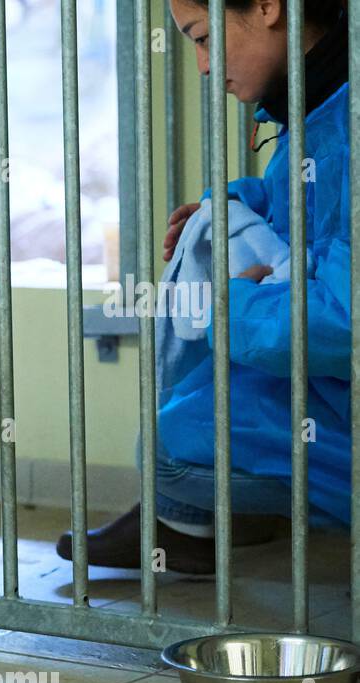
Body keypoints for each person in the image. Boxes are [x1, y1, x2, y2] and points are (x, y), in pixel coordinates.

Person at [57, 0, 352, 574]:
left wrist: (227, 306)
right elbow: (318, 217)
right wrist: (238, 208)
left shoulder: (344, 117)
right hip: (337, 387)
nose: (202, 66)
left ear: (268, 7)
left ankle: (204, 521)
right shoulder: (315, 101)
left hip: (343, 383)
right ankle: (184, 525)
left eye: (199, 37)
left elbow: (345, 318)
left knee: (171, 448)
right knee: (201, 399)